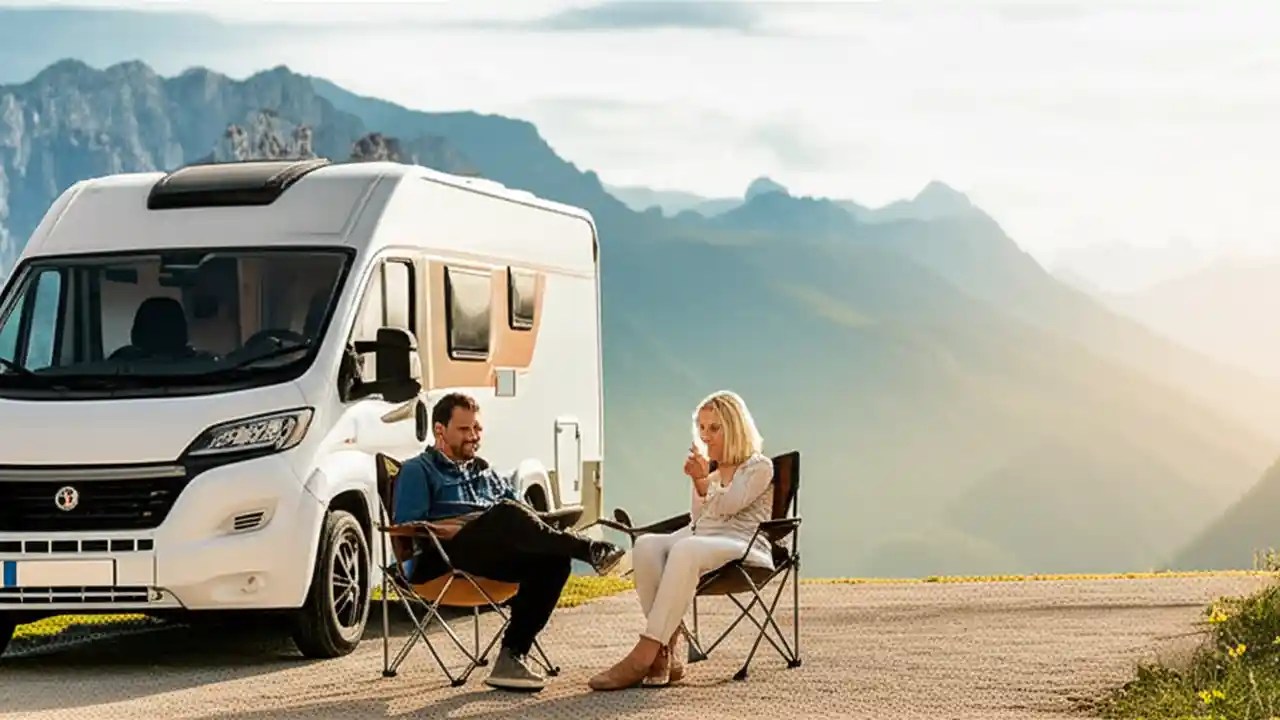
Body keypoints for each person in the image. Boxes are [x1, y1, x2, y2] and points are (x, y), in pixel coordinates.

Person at [393, 392, 625, 691]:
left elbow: (523, 516)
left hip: (489, 555)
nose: (473, 436)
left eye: (477, 429)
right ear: (440, 430)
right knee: (505, 512)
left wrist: (543, 523)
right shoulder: (418, 470)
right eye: (464, 429)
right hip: (440, 560)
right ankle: (587, 548)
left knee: (552, 561)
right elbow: (409, 528)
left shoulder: (485, 471)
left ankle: (512, 656)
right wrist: (470, 523)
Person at [588, 390, 775, 691]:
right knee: (646, 545)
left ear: (735, 427)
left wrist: (703, 481)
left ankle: (645, 654)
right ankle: (667, 651)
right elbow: (698, 518)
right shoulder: (710, 468)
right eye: (701, 428)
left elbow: (730, 508)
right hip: (703, 535)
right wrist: (700, 481)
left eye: (714, 428)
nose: (706, 436)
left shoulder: (759, 466)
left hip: (741, 540)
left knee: (686, 548)